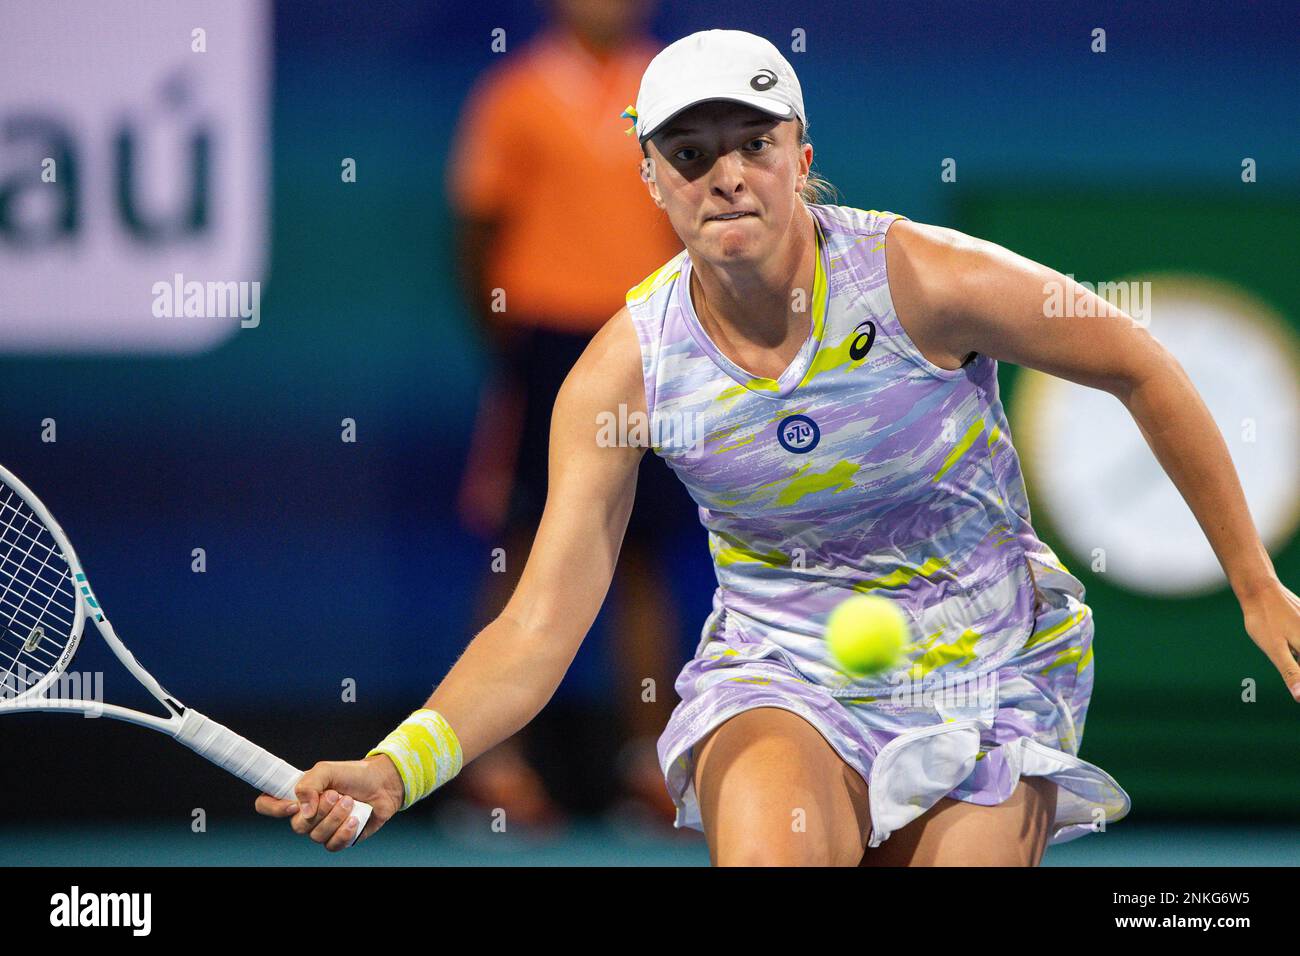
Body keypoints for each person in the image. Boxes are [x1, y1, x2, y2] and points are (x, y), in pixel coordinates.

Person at [257, 29, 1300, 864]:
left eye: (753, 142)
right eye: (690, 153)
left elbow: (1138, 362)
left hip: (986, 666)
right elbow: (539, 622)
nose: (726, 174)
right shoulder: (625, 373)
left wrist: (1254, 583)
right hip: (781, 672)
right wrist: (399, 764)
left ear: (800, 156)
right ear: (653, 181)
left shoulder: (924, 281)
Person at [446, 0, 689, 823]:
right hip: (544, 343)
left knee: (642, 552)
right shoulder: (511, 94)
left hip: (649, 339)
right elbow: (478, 229)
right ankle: (488, 764)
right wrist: (513, 347)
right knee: (522, 543)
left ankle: (652, 766)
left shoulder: (674, 89)